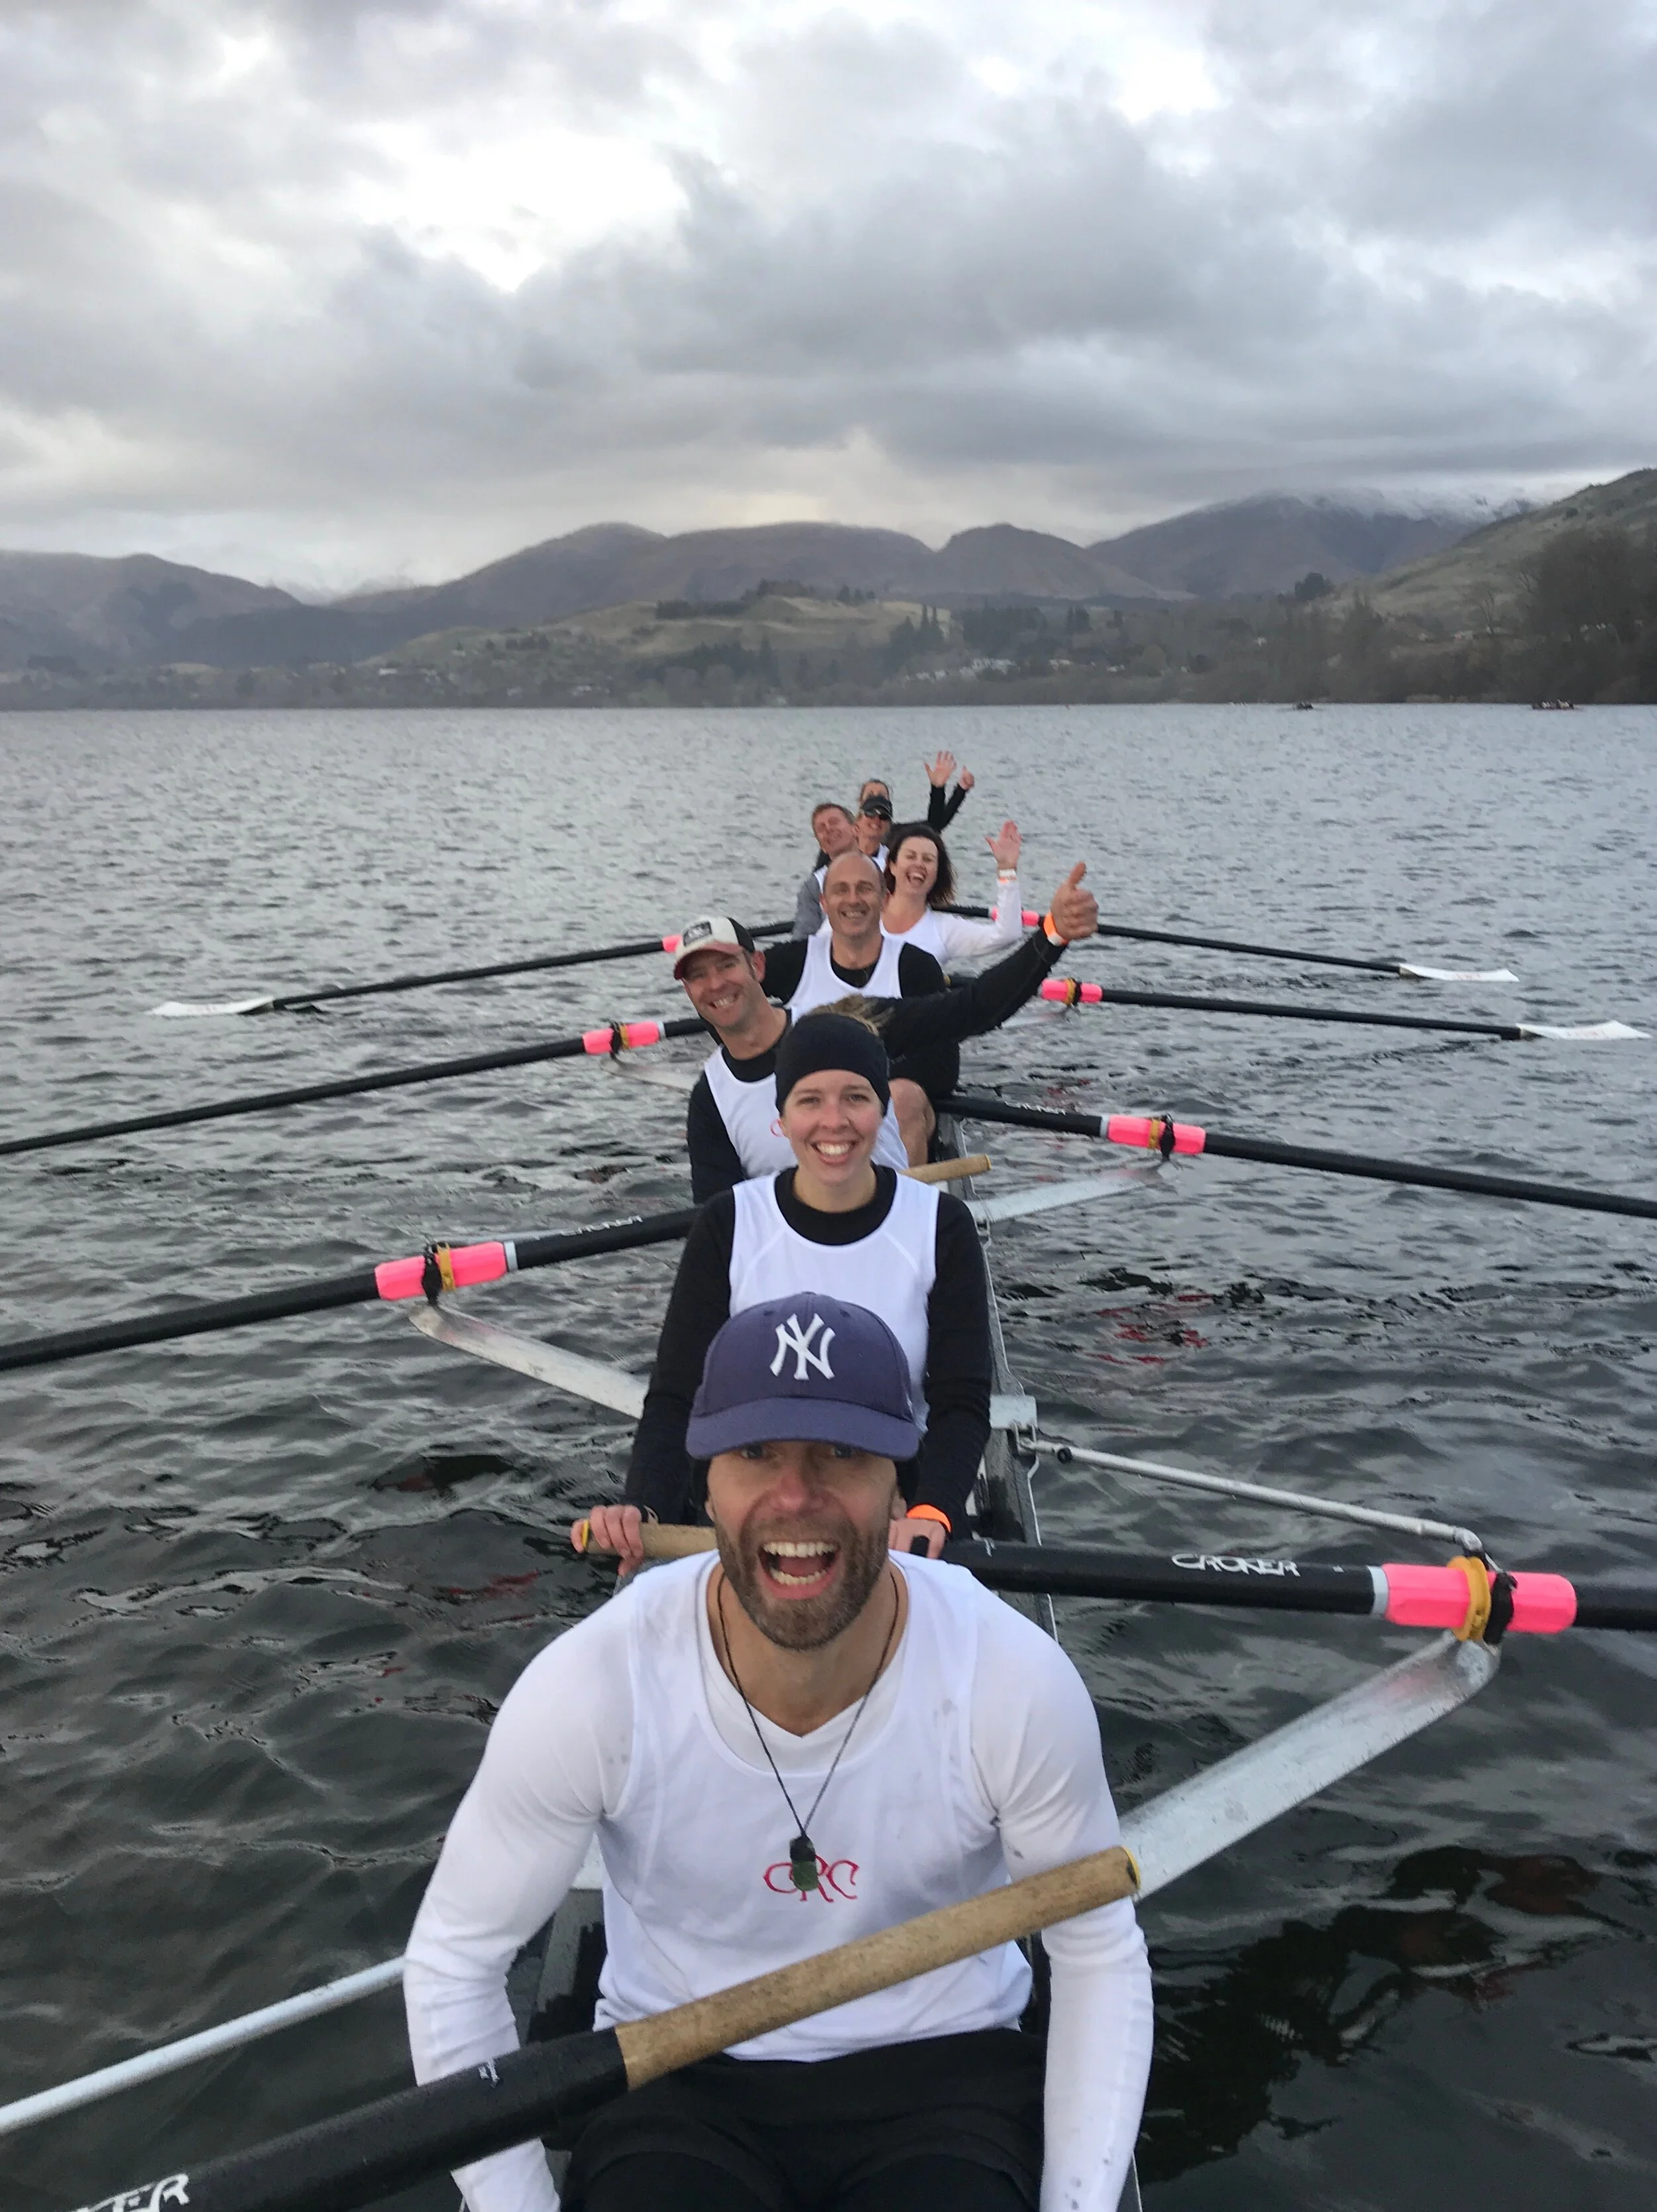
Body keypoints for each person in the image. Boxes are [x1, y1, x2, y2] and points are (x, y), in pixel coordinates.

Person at [404, 1295, 1153, 2212]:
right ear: (706, 1484)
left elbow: (1097, 1950)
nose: (796, 1497)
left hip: (943, 2075)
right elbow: (454, 1965)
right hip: (677, 2075)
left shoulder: (1011, 1680)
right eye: (757, 1454)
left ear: (898, 1484)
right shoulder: (595, 1686)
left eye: (841, 1453)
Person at [599, 1011, 990, 1562]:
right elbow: (677, 1394)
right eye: (810, 1101)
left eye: (856, 1097)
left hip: (896, 1497)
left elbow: (962, 1401)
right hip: (760, 1491)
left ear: (883, 1110)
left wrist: (934, 1509)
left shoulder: (941, 1226)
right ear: (780, 1119)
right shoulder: (728, 1223)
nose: (835, 1122)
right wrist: (644, 1505)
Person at [675, 862, 1097, 1197]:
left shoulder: (844, 1024)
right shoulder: (710, 1098)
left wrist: (1051, 936)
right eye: (698, 977)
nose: (715, 985)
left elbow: (974, 1008)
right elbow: (719, 1226)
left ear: (758, 967)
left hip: (888, 1239)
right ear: (688, 991)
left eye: (727, 965)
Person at [883, 819, 1025, 966]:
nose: (919, 864)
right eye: (910, 856)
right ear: (892, 865)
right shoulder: (868, 913)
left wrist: (1007, 870)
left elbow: (1007, 934)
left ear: (937, 873)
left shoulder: (945, 930)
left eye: (928, 859)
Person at [793, 801, 861, 939]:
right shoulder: (813, 887)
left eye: (834, 822)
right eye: (821, 828)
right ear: (821, 845)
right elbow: (802, 939)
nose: (829, 829)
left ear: (855, 829)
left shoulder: (887, 868)